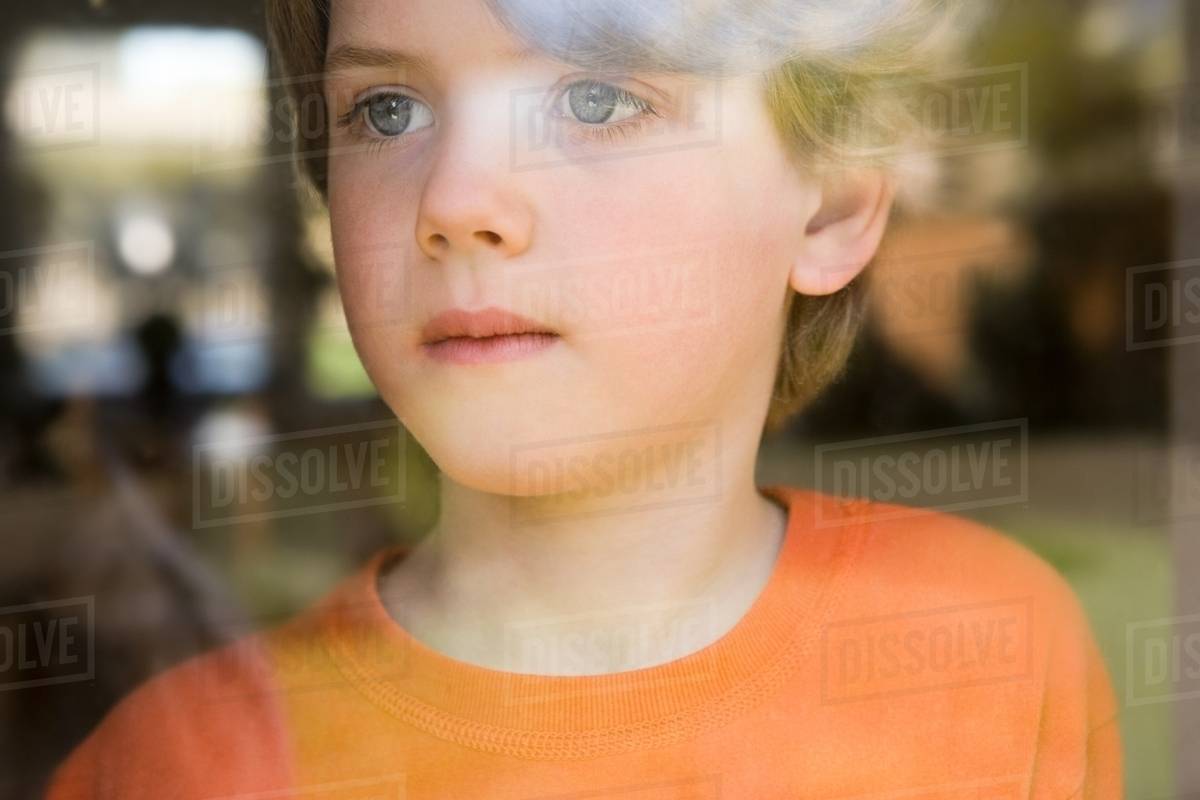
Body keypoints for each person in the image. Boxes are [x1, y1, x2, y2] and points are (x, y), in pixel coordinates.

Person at [45, 0, 1122, 797]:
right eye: (386, 106)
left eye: (599, 98)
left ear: (831, 205)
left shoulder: (995, 640)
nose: (457, 198)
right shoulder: (178, 762)